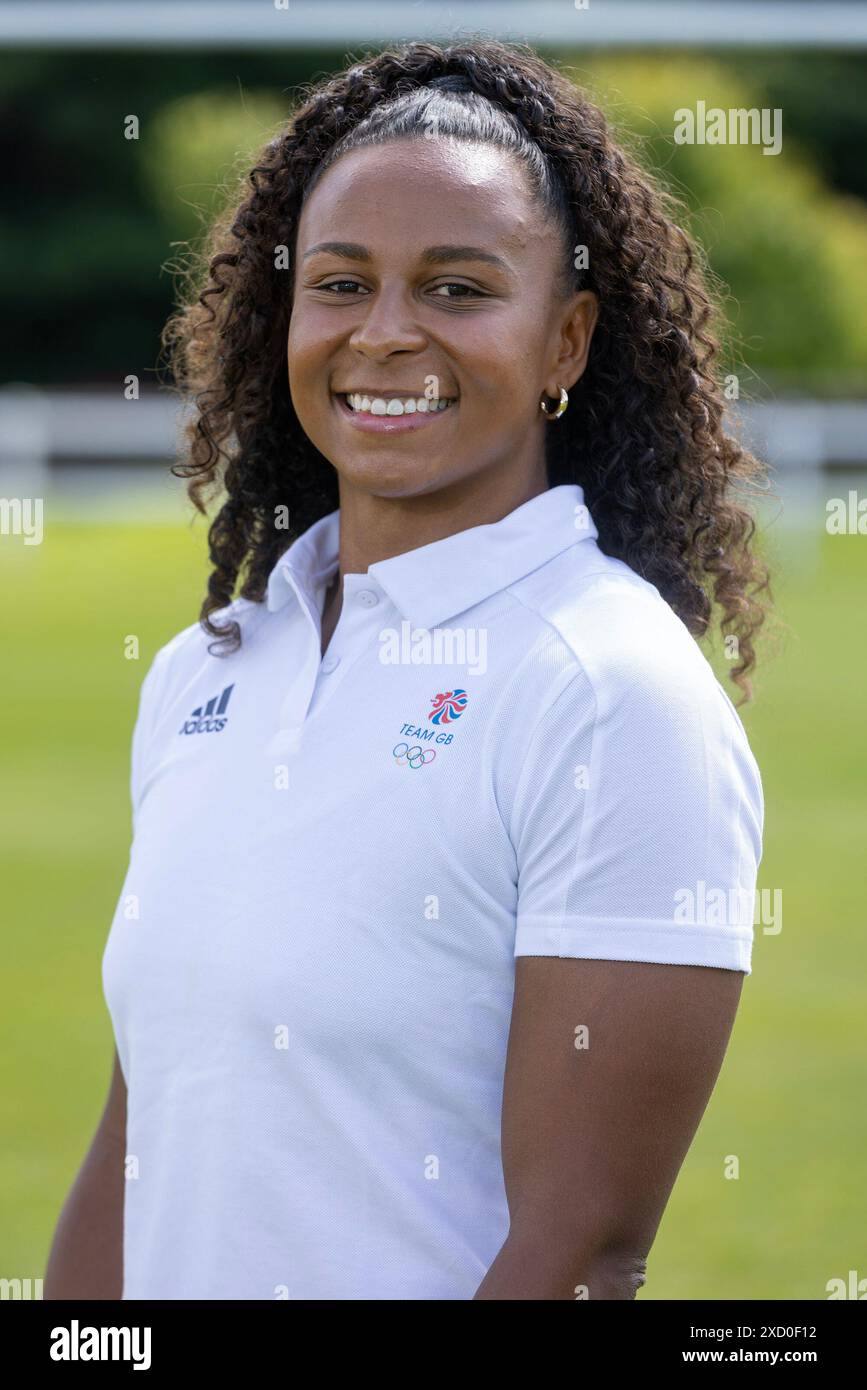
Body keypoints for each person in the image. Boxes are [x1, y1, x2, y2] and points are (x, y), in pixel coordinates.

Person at [46, 38, 768, 1301]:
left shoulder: (610, 691)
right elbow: (146, 1130)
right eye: (339, 284)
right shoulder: (206, 667)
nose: (385, 334)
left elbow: (580, 1254)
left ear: (567, 342)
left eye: (457, 287)